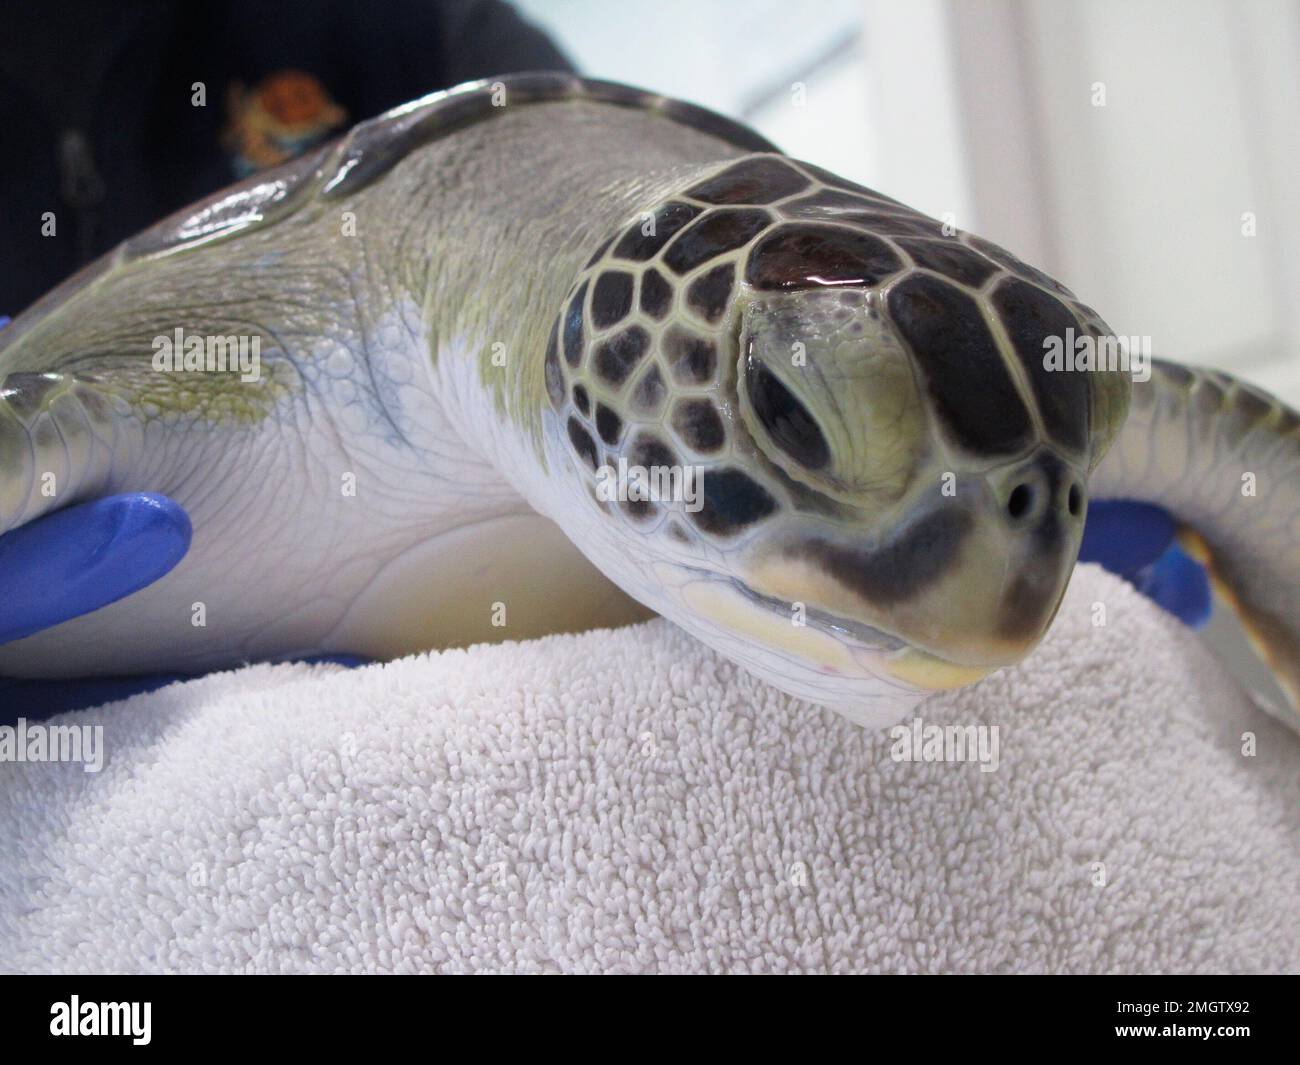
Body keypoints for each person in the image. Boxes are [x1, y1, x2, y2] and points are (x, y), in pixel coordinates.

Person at [0, 3, 1208, 718]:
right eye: (795, 409)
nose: (1004, 575)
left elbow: (596, 182)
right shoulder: (184, 361)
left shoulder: (396, 18)